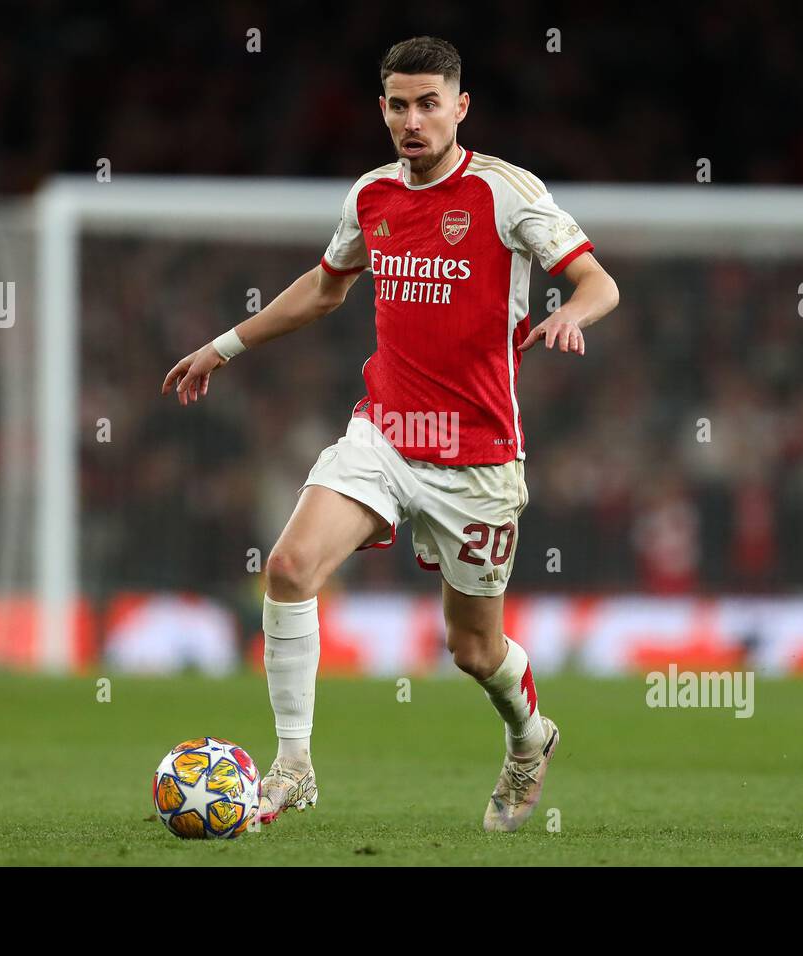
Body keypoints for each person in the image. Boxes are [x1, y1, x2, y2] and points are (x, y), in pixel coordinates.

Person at [162, 36, 618, 832]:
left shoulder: (506, 194)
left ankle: (528, 737)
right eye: (400, 105)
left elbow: (596, 280)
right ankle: (294, 765)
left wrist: (570, 314)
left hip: (478, 459)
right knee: (290, 567)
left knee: (474, 651)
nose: (414, 119)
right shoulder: (371, 196)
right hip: (385, 432)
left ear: (459, 107)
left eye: (429, 103)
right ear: (383, 110)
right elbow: (323, 290)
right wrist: (223, 346)